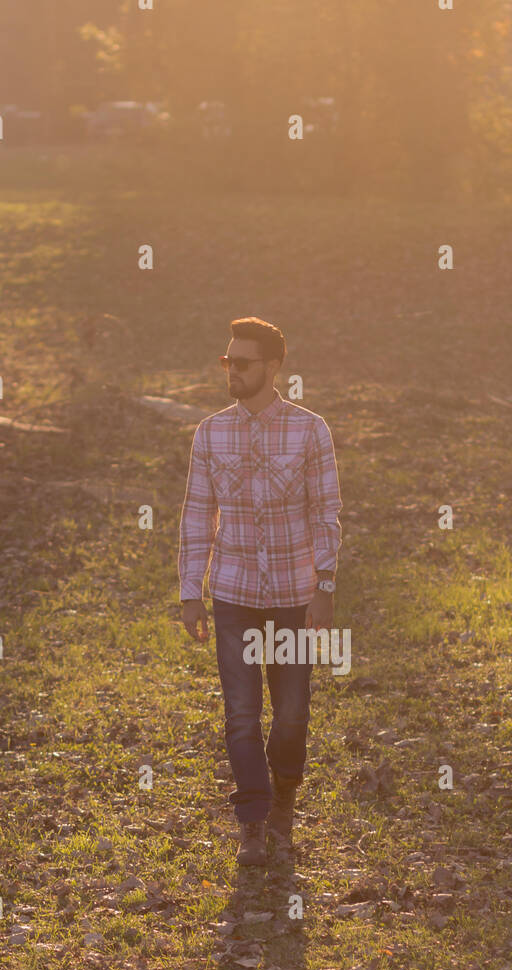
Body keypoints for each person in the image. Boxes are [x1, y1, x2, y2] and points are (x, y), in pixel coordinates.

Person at [179, 316, 342, 865]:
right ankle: (252, 820)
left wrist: (325, 583)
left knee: (292, 712)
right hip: (233, 595)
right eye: (227, 361)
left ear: (273, 368)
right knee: (242, 714)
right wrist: (190, 592)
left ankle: (284, 803)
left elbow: (326, 513)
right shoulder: (210, 433)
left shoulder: (310, 430)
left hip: (295, 596)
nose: (232, 371)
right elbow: (198, 517)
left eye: (242, 363)